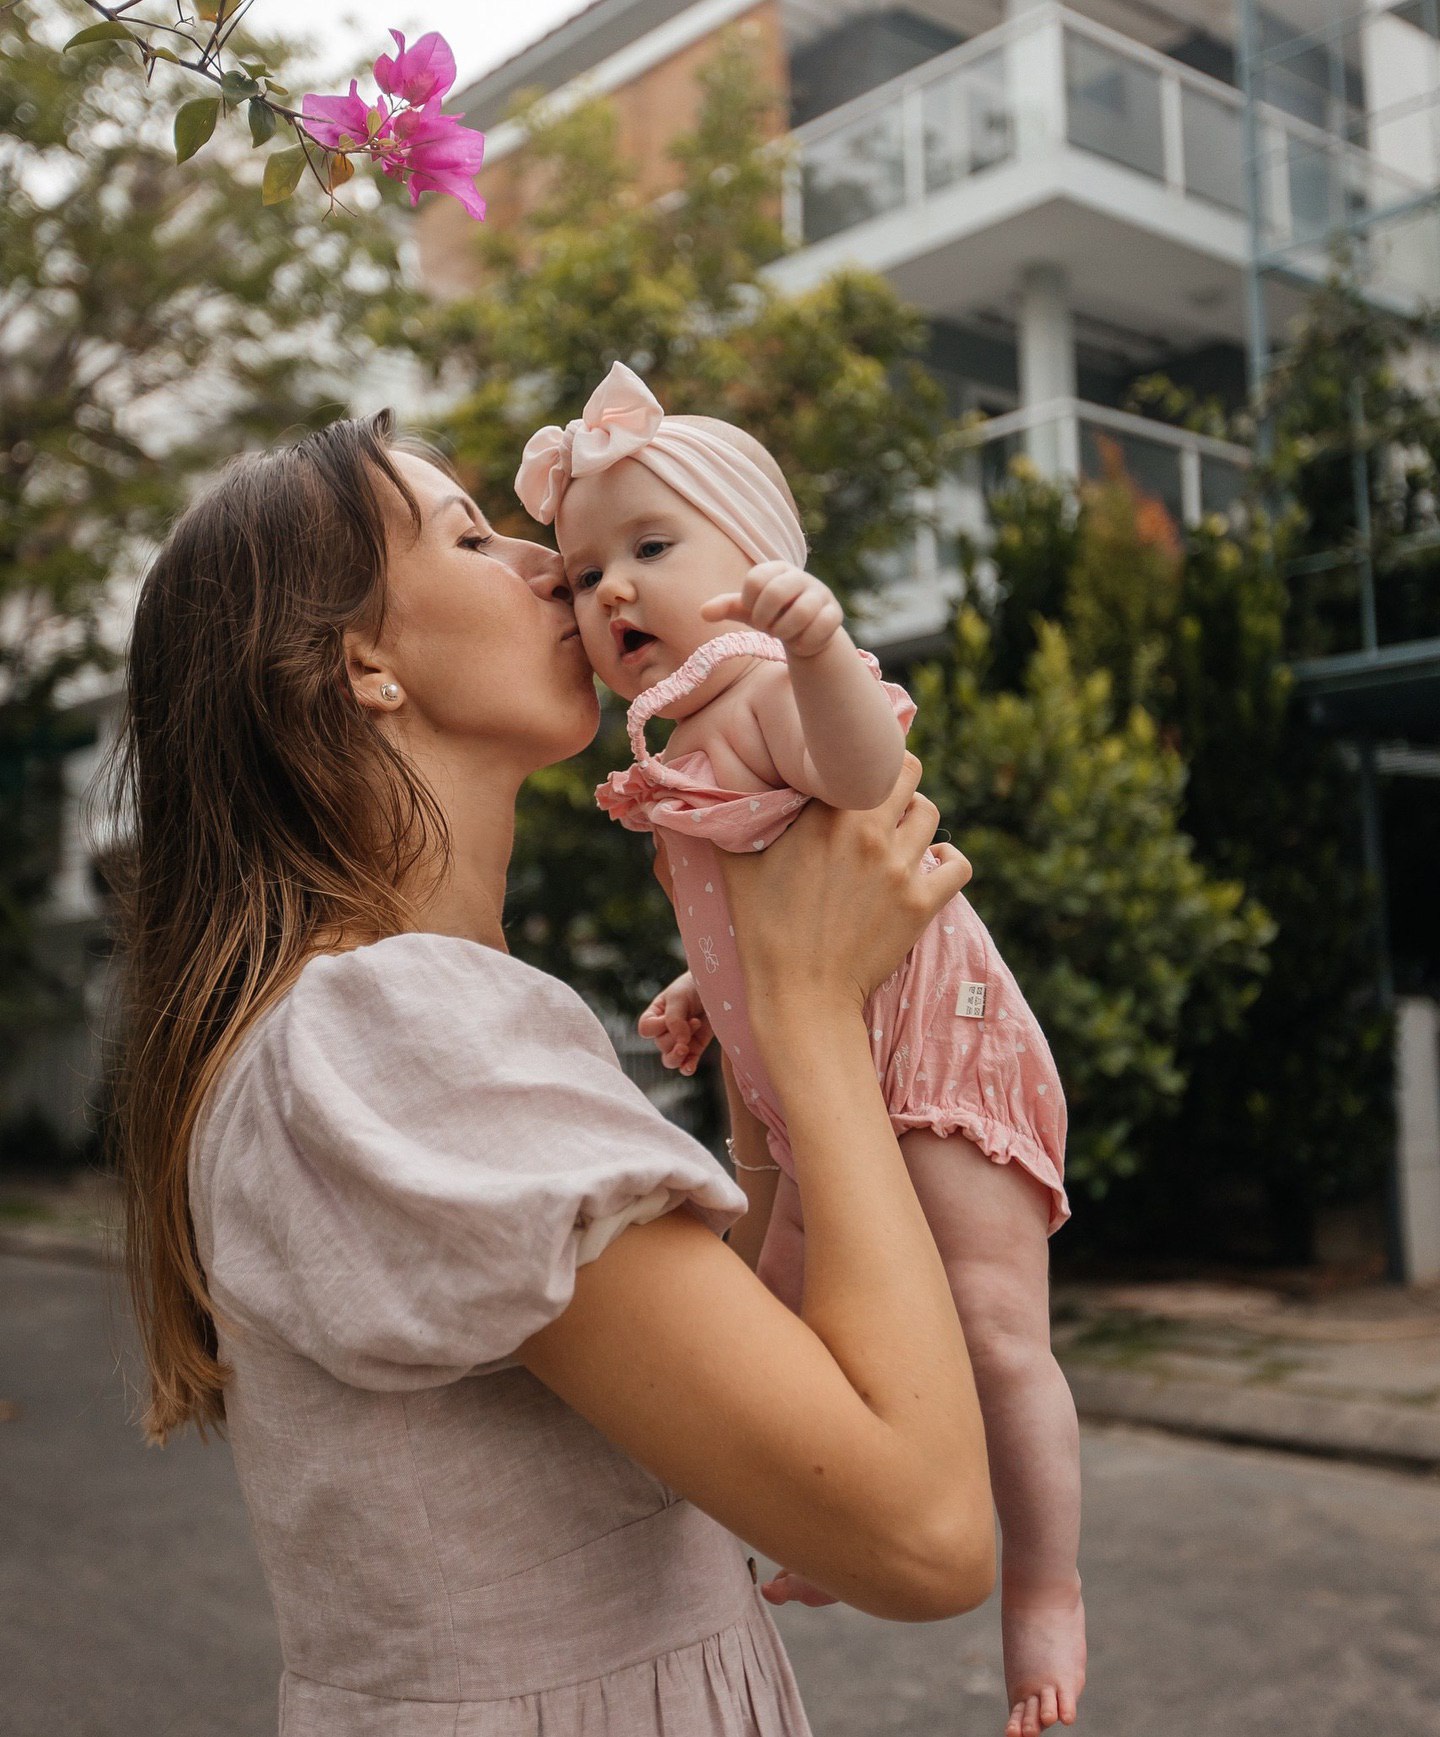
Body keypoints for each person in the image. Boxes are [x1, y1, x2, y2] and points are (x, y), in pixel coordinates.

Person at [105, 410, 998, 1737]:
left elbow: (764, 1374)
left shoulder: (353, 1019)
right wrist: (810, 1011)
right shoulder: (401, 1026)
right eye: (470, 534)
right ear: (364, 663)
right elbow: (924, 1534)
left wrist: (769, 1017)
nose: (547, 565)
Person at [516, 363, 1085, 1736]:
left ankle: (1047, 1590)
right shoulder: (674, 754)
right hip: (805, 1062)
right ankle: (840, 1510)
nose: (613, 594)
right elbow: (751, 891)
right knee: (790, 1324)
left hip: (924, 1045)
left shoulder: (765, 675)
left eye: (653, 548)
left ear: (759, 561)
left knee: (997, 1328)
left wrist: (822, 643)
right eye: (587, 574)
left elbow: (861, 782)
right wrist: (698, 988)